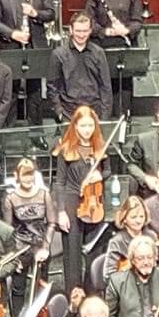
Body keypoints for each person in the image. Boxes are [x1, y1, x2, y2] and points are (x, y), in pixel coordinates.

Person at [53, 106, 112, 294]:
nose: (87, 130)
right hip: (72, 200)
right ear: (75, 126)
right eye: (83, 126)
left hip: (95, 201)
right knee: (73, 253)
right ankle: (74, 295)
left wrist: (100, 175)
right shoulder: (66, 149)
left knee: (95, 249)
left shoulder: (100, 147)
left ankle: (93, 294)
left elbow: (108, 171)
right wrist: (61, 211)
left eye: (90, 125)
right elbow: (59, 182)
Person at [1, 158, 57, 317]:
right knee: (18, 289)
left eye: (31, 174)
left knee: (41, 288)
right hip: (20, 249)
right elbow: (8, 230)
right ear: (17, 175)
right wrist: (13, 256)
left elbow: (52, 223)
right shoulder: (10, 199)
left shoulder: (44, 195)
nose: (28, 178)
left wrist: (45, 248)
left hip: (41, 247)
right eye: (25, 175)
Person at [47, 12, 111, 120]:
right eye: (78, 31)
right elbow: (52, 87)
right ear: (71, 30)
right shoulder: (58, 54)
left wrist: (104, 117)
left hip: (94, 112)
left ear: (90, 30)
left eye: (85, 31)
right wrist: (59, 111)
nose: (81, 35)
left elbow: (105, 86)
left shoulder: (98, 53)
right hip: (68, 113)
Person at [104, 195, 159, 271]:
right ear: (124, 218)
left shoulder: (151, 236)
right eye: (134, 217)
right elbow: (109, 273)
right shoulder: (117, 242)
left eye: (141, 216)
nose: (138, 221)